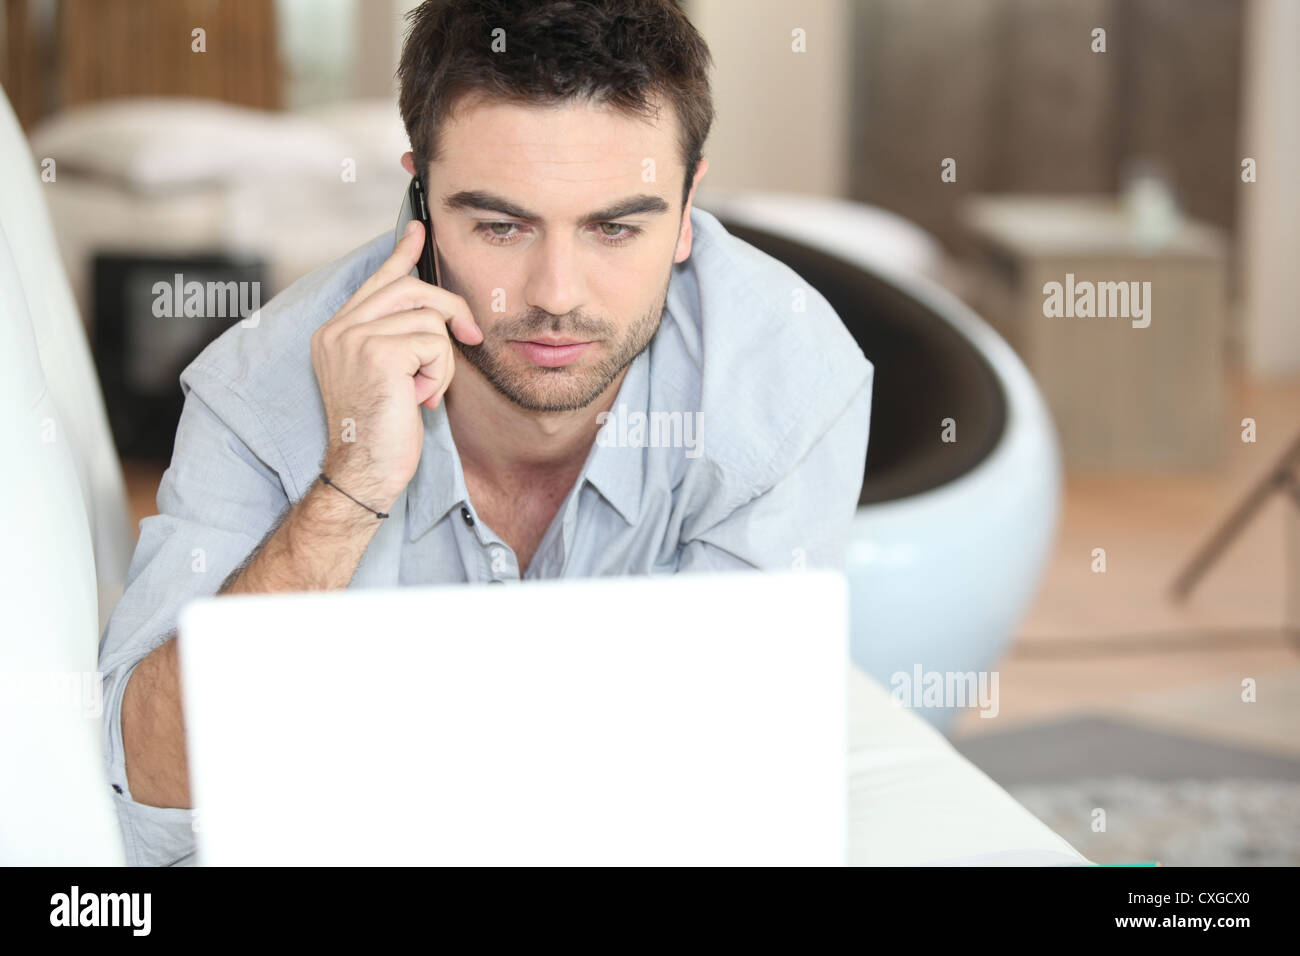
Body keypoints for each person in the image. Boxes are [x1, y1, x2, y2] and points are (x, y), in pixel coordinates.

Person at [99, 0, 874, 866]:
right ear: (418, 195)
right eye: (501, 225)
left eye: (616, 226)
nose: (555, 293)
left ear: (689, 205)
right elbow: (143, 795)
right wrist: (348, 487)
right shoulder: (258, 391)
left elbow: (734, 793)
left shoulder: (785, 382)